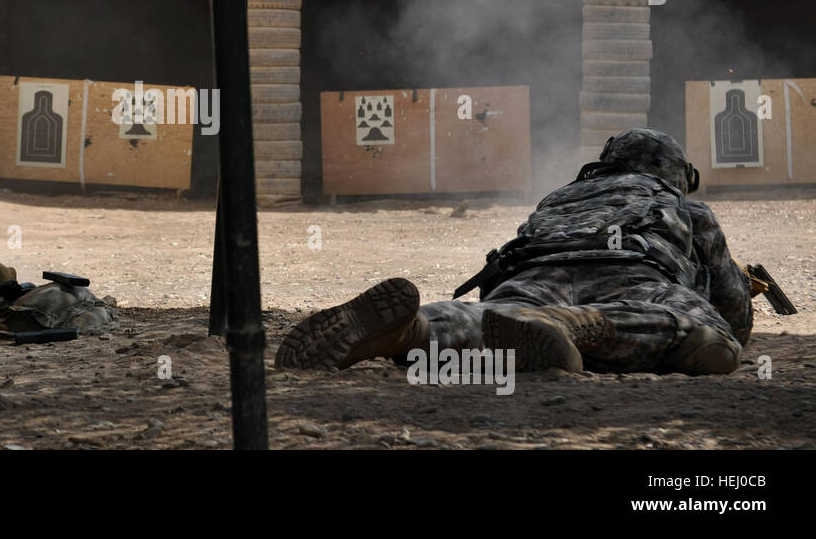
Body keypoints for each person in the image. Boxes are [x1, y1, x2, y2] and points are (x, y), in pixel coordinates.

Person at [276, 128, 753, 376]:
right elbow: (734, 313)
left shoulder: (559, 197)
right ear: (676, 173)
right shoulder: (683, 204)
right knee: (712, 341)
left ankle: (411, 330)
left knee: (489, 318)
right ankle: (578, 326)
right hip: (633, 272)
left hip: (536, 273)